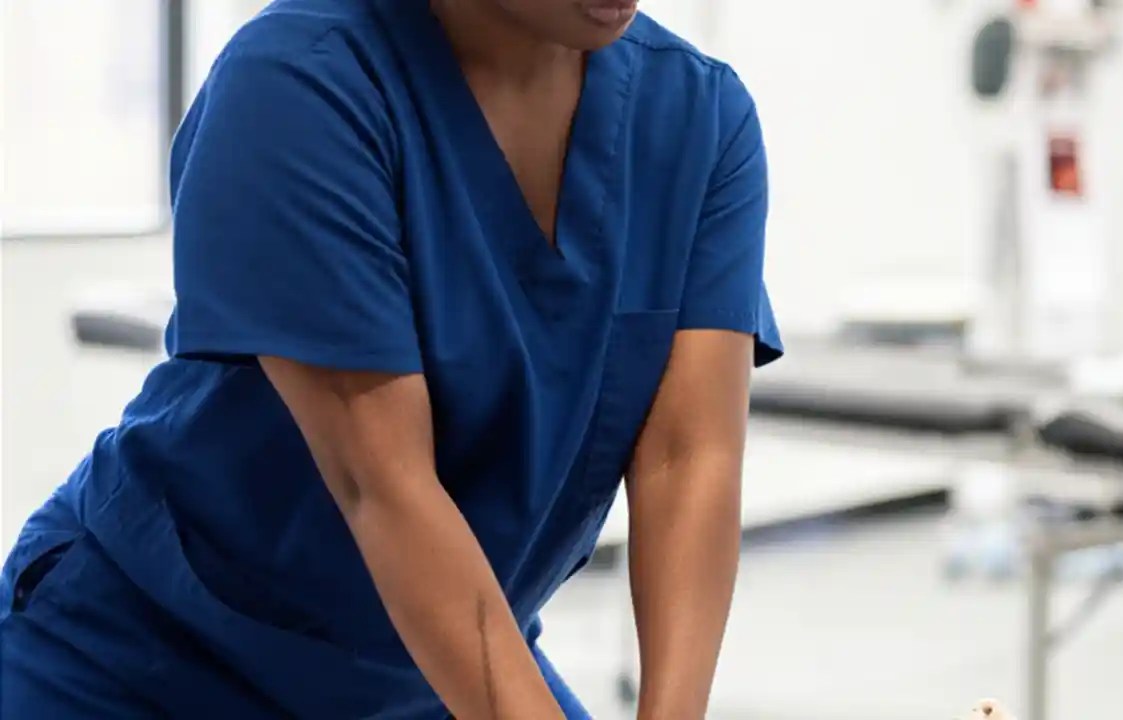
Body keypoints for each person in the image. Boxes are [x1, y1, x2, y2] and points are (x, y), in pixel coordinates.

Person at [0, 0, 782, 716]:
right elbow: (383, 488)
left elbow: (689, 458)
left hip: (430, 669)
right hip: (147, 658)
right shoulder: (300, 82)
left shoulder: (701, 120)